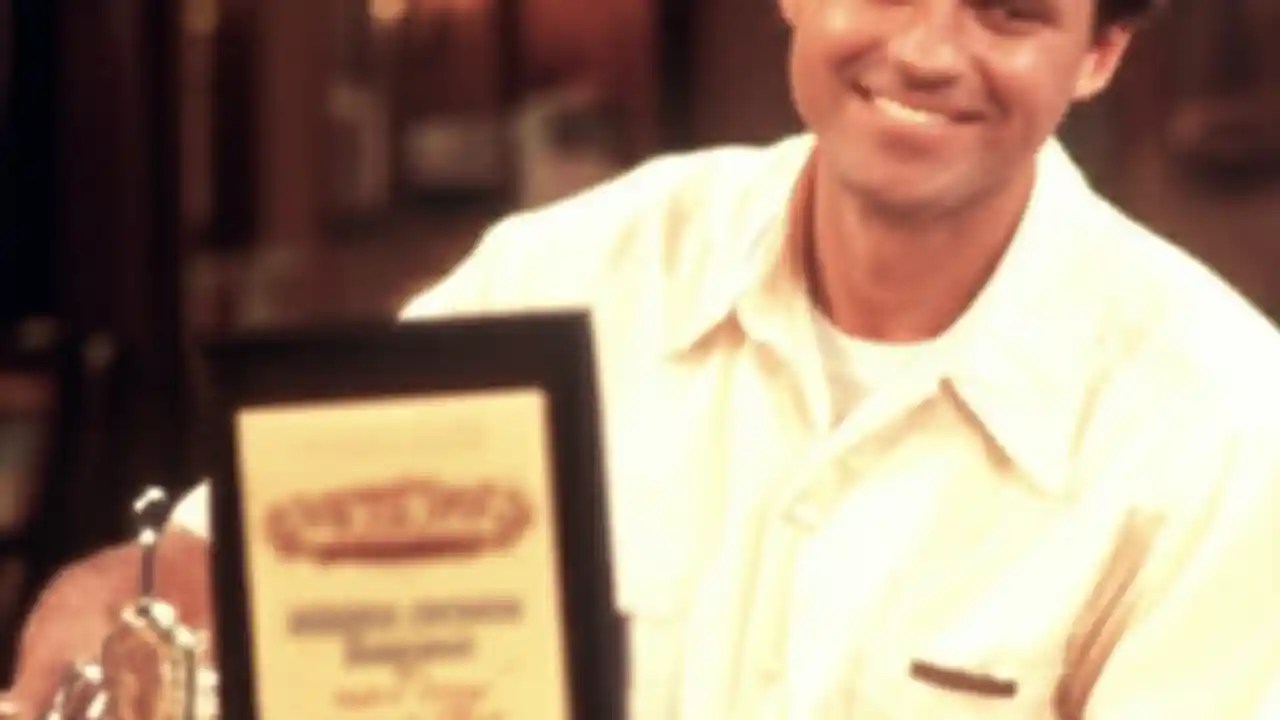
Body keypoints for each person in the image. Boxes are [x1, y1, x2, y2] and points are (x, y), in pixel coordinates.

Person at [8, 0, 1280, 716]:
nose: (927, 50)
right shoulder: (563, 275)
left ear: (1099, 54)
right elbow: (206, 568)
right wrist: (101, 672)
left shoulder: (1223, 431)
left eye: (1008, 10)